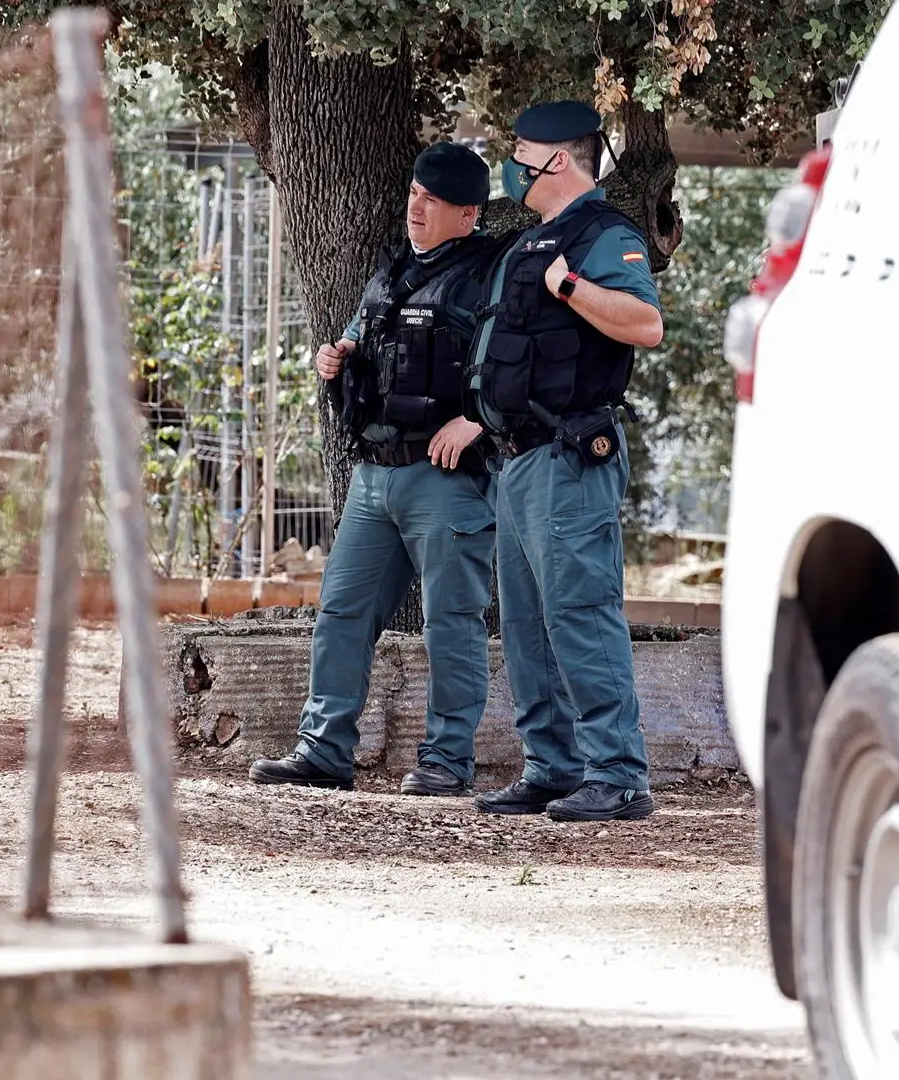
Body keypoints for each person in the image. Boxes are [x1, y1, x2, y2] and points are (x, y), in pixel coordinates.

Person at [249, 141, 502, 798]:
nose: (416, 207)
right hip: (374, 476)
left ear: (468, 215)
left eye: (433, 201)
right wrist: (334, 360)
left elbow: (517, 366)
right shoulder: (390, 273)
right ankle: (323, 749)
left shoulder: (490, 277)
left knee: (451, 623)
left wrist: (479, 421)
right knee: (341, 612)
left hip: (446, 480)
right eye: (415, 193)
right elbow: (364, 344)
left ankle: (447, 760)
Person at [465, 100, 664, 823]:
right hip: (516, 462)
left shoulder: (603, 235)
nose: (511, 166)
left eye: (520, 153)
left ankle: (618, 775)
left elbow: (647, 324)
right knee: (525, 625)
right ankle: (552, 766)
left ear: (557, 160)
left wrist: (572, 287)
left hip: (570, 458)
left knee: (581, 612)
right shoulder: (529, 242)